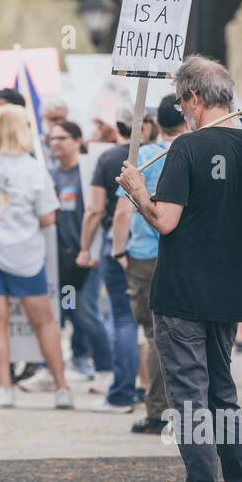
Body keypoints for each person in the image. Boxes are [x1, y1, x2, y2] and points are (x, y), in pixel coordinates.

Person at [117, 55, 242, 482]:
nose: (182, 110)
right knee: (223, 398)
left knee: (190, 403)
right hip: (226, 291)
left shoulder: (188, 148)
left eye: (182, 101)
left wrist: (138, 191)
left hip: (182, 293)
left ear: (195, 99)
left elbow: (165, 221)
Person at [0, 105, 72, 409]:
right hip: (26, 255)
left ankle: (4, 387)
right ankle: (61, 387)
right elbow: (49, 217)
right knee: (44, 322)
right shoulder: (32, 167)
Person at [113, 95, 185, 434]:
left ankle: (158, 412)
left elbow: (123, 210)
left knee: (154, 335)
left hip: (144, 253)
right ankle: (190, 410)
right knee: (187, 333)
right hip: (184, 252)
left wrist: (118, 250)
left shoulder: (143, 156)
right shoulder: (197, 150)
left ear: (157, 124)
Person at [77, 103, 140, 413]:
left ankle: (122, 393)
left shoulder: (109, 158)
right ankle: (151, 393)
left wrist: (85, 247)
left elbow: (96, 209)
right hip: (155, 243)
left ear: (119, 126)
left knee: (124, 320)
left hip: (120, 246)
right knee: (154, 324)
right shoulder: (160, 153)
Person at [42, 120, 109, 384]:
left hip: (86, 257)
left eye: (62, 138)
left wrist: (89, 248)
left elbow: (95, 211)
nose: (56, 143)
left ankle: (106, 368)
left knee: (87, 313)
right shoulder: (51, 174)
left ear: (77, 141)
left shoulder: (87, 172)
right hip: (61, 260)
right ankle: (69, 362)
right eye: (53, 139)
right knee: (67, 312)